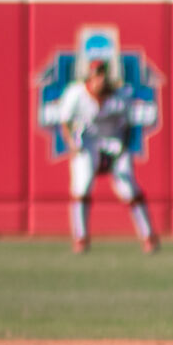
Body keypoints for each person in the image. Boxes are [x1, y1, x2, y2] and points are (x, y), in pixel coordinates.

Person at [59, 59, 159, 255]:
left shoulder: (121, 95)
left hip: (113, 142)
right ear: (89, 77)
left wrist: (124, 148)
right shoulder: (76, 93)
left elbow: (129, 123)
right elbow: (65, 121)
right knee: (82, 186)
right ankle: (80, 238)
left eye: (102, 75)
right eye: (96, 75)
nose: (99, 80)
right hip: (87, 142)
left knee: (129, 189)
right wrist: (71, 143)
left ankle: (148, 237)